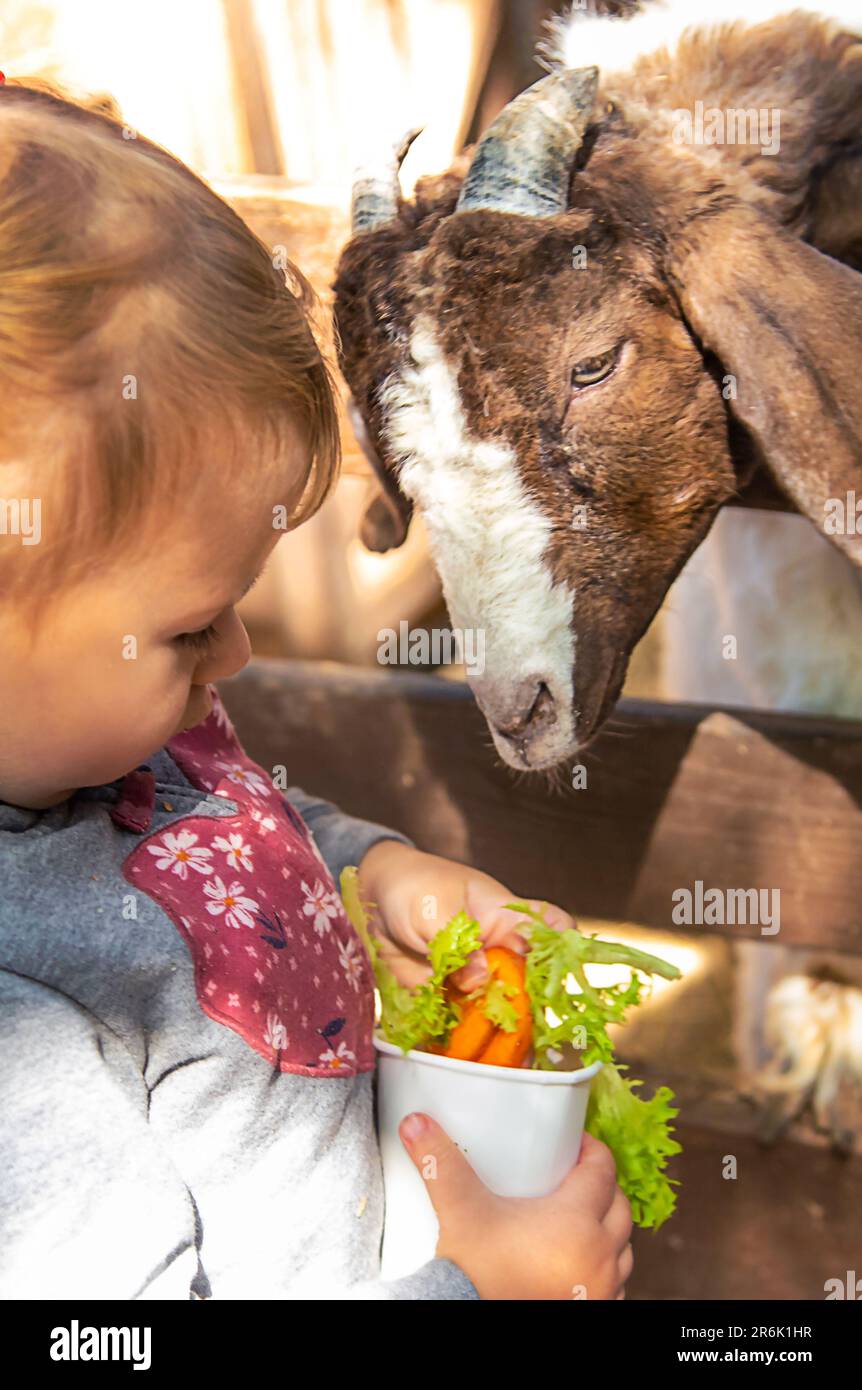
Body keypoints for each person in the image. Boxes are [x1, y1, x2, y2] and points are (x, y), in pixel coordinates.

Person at [0, 78, 632, 1300]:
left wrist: (370, 874)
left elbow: (199, 842)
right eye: (187, 626)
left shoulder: (104, 740)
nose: (234, 656)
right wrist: (476, 1291)